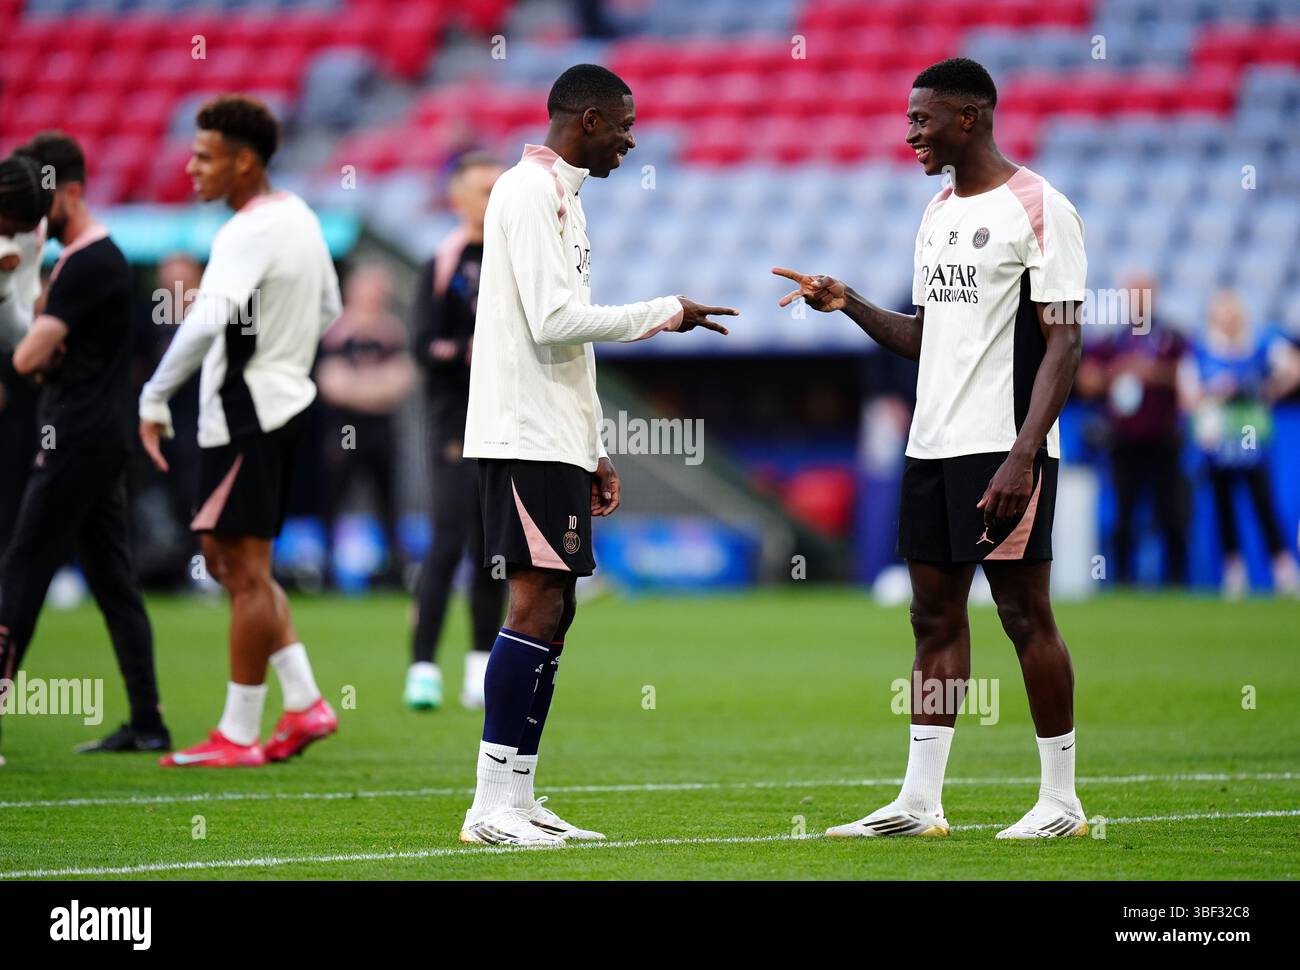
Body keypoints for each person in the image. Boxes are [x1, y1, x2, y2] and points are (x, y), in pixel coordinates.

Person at [773, 57, 1088, 839]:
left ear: (969, 117)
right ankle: (920, 802)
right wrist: (847, 303)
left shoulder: (1040, 206)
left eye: (923, 118)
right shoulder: (937, 210)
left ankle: (1061, 801)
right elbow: (927, 338)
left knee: (1024, 614)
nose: (910, 131)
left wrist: (1025, 452)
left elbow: (1065, 342)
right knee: (932, 618)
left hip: (1003, 450)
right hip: (932, 446)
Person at [459, 64, 736, 845]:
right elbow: (554, 320)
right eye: (623, 122)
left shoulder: (565, 200)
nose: (632, 138)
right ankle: (489, 807)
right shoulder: (528, 192)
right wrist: (665, 312)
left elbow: (566, 340)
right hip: (522, 434)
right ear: (586, 120)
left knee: (559, 606)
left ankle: (519, 795)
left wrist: (595, 446)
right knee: (535, 603)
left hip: (555, 436)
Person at [138, 96, 342, 768]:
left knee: (244, 571)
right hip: (274, 407)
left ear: (243, 160)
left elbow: (202, 322)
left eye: (204, 156)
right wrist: (287, 357)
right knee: (229, 562)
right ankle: (307, 699)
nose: (191, 168)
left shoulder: (246, 231)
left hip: (248, 414)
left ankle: (238, 733)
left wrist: (155, 394)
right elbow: (329, 307)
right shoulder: (301, 218)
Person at [0, 136, 171, 761]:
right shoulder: (84, 260)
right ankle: (148, 721)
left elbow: (27, 355)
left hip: (74, 433)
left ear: (69, 189)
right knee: (112, 580)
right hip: (97, 433)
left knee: (24, 565)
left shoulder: (88, 260)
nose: (31, 217)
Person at [407, 152, 505, 712]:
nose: (494, 199)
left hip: (504, 420)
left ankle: (478, 669)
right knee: (447, 540)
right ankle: (422, 666)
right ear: (458, 198)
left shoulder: (516, 257)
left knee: (491, 547)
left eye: (500, 189)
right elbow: (423, 345)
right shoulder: (441, 265)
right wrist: (469, 352)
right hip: (454, 420)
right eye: (484, 190)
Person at [1180, 290, 1300, 597]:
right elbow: (1189, 398)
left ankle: (1282, 569)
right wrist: (1215, 393)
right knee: (1224, 507)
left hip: (1252, 441)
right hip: (1218, 443)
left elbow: (1292, 369)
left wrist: (1265, 389)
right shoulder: (1202, 351)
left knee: (1264, 504)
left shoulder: (1258, 345)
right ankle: (1234, 573)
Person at [1075, 273, 1190, 585]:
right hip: (1124, 441)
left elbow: (1191, 377)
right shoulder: (1114, 340)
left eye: (1144, 293)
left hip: (1163, 439)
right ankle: (1122, 580)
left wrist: (1154, 373)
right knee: (1124, 513)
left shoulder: (1172, 338)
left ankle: (1177, 581)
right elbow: (1087, 380)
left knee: (1171, 513)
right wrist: (1112, 374)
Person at [316, 262, 414, 588]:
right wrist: (373, 387)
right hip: (347, 430)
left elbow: (401, 380)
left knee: (388, 498)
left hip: (381, 428)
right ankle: (327, 569)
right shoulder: (338, 330)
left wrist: (361, 387)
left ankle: (394, 570)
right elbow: (333, 384)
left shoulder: (391, 331)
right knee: (337, 494)